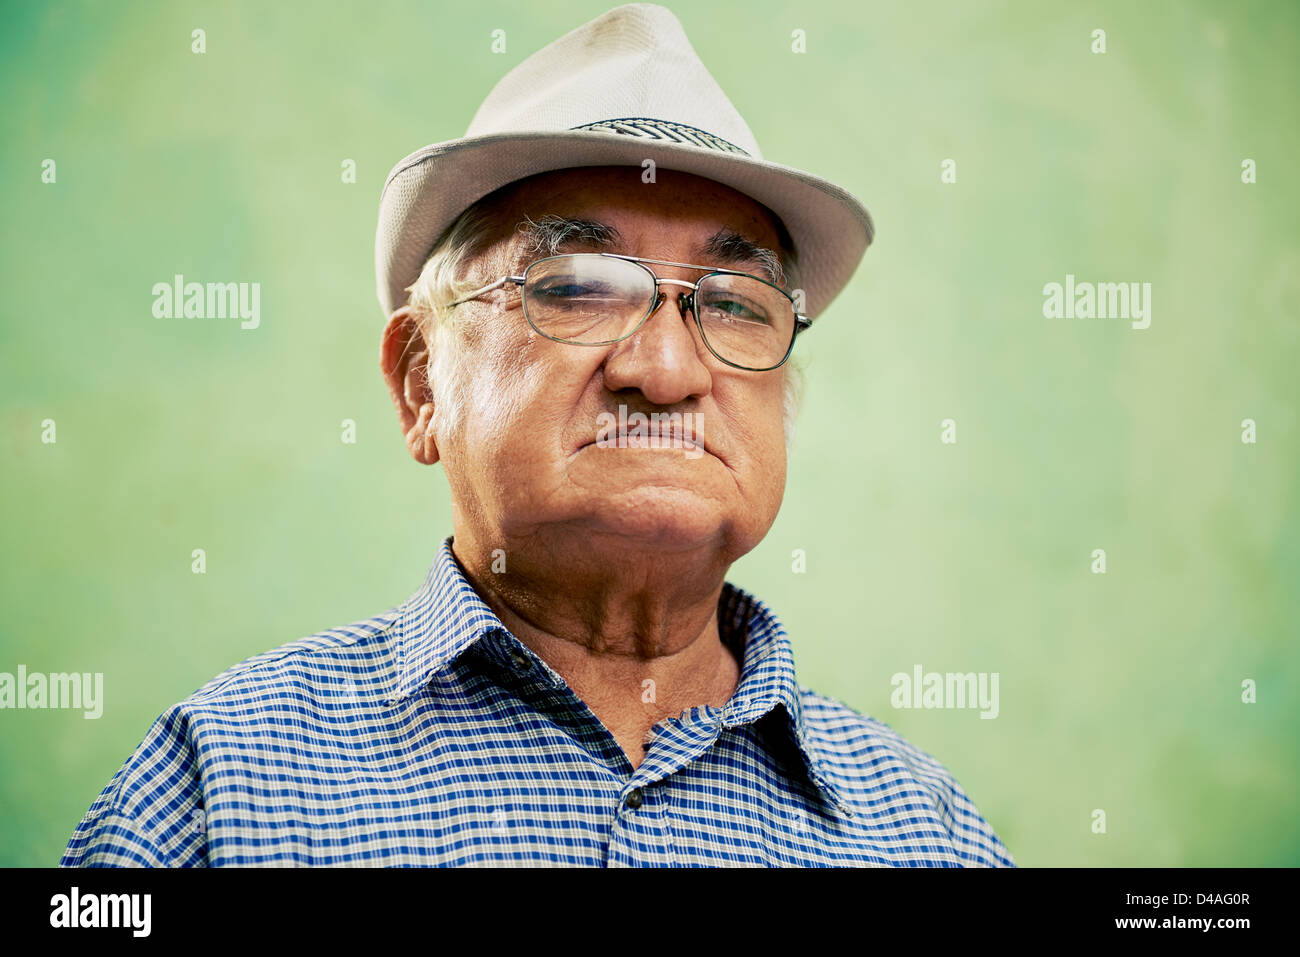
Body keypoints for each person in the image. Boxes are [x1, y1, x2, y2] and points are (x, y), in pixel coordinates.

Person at [62, 3, 1014, 867]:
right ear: (422, 382)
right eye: (580, 284)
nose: (668, 371)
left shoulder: (926, 831)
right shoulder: (219, 792)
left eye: (733, 303)